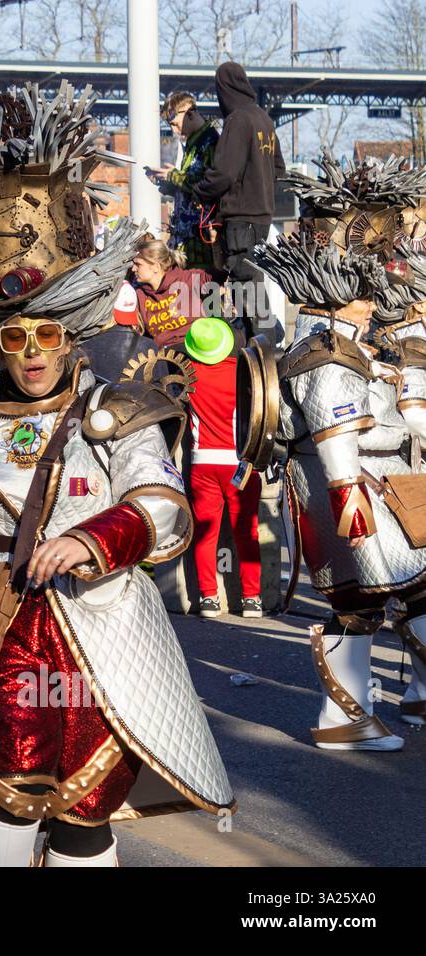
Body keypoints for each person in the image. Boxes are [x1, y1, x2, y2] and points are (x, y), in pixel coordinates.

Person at [0, 81, 233, 866]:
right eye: (14, 338)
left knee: (85, 814)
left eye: (48, 333)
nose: (34, 352)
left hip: (100, 629)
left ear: (73, 334)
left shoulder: (119, 409)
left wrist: (92, 542)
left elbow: (162, 505)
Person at [241, 155, 426, 749]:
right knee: (361, 603)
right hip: (357, 489)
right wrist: (348, 491)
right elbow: (331, 420)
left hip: (381, 481)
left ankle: (392, 704)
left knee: (393, 595)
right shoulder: (327, 346)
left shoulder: (343, 340)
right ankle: (345, 717)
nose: (378, 301)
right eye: (368, 293)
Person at [191, 62, 286, 339]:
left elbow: (224, 172)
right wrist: (259, 185)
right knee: (247, 279)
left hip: (240, 216)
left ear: (224, 90)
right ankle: (254, 341)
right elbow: (278, 169)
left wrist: (200, 191)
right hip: (262, 215)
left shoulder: (237, 120)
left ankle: (269, 342)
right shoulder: (263, 119)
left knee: (246, 281)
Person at [181, 317, 262, 618]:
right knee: (247, 531)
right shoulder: (243, 372)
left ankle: (208, 598)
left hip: (202, 463)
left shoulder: (188, 372)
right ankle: (252, 599)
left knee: (205, 533)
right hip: (240, 463)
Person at [149, 91, 219, 272]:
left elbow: (208, 183)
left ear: (189, 112)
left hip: (200, 241)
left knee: (203, 293)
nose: (174, 130)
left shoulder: (210, 142)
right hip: (186, 237)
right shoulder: (192, 144)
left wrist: (174, 176)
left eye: (174, 123)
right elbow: (190, 186)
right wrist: (168, 185)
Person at [131, 238, 213, 347]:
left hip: (197, 346)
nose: (133, 269)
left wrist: (214, 244)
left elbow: (219, 274)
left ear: (155, 267)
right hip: (166, 355)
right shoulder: (139, 295)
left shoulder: (187, 279)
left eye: (138, 264)